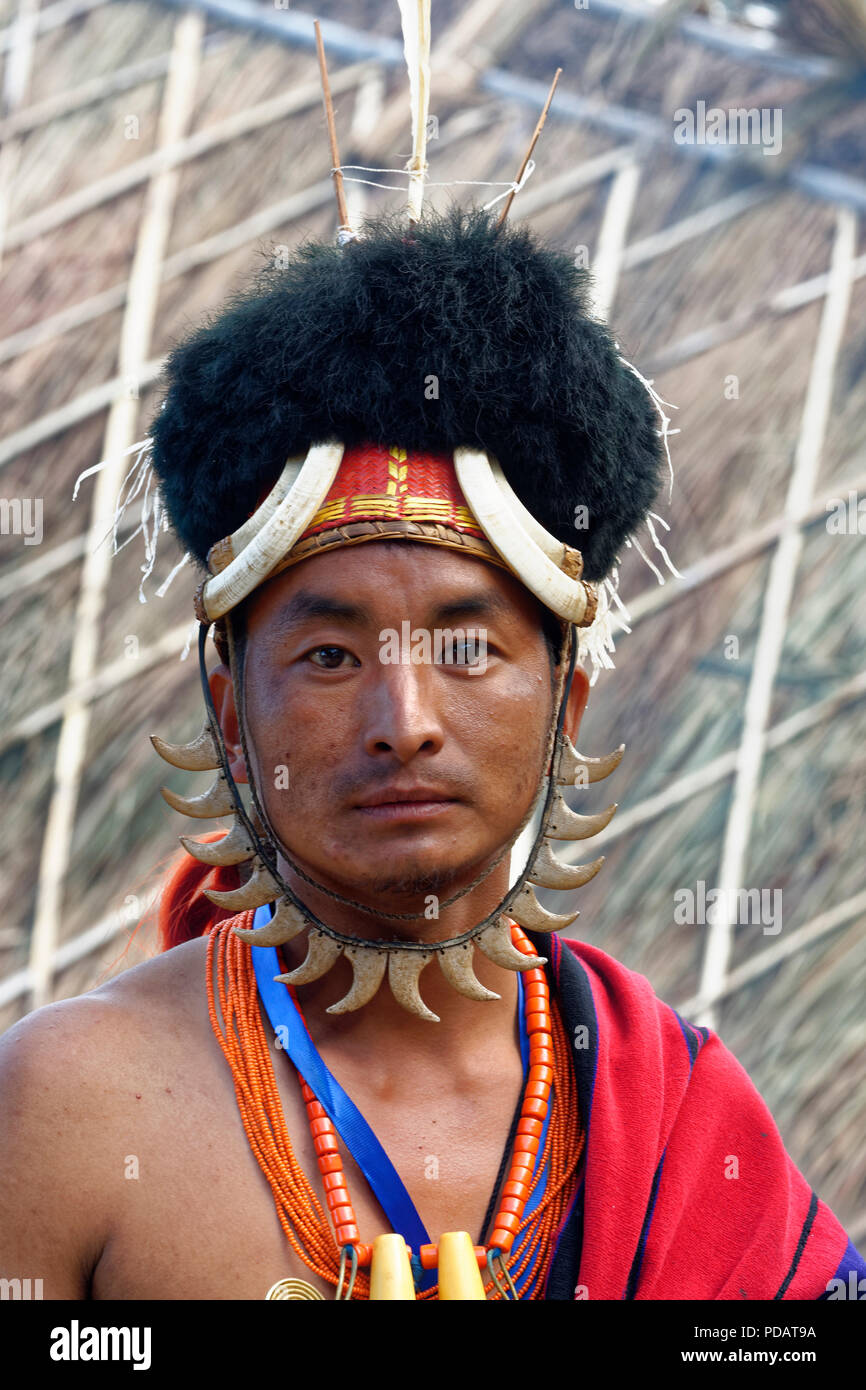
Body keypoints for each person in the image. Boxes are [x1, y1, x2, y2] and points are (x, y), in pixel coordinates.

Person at [0, 210, 862, 1301]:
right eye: (326, 652)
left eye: (464, 646)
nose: (401, 718)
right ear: (229, 713)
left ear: (564, 699)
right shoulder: (71, 1110)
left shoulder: (677, 1119)